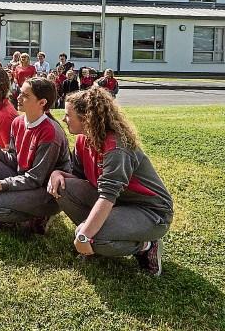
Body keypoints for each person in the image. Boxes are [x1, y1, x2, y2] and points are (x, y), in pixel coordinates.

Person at [48, 86, 173, 275]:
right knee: (64, 188)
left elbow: (107, 196)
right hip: (117, 204)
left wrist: (83, 236)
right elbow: (79, 178)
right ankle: (99, 234)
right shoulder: (83, 140)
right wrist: (57, 173)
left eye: (67, 115)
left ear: (86, 118)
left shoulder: (116, 147)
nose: (64, 119)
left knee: (92, 237)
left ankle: (147, 246)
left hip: (150, 212)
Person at [0, 77, 70, 233]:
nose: (18, 98)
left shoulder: (50, 132)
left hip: (45, 192)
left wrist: (2, 184)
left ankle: (39, 215)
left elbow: (36, 178)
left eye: (25, 96)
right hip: (24, 179)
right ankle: (8, 214)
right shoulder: (18, 122)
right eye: (20, 93)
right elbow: (14, 159)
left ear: (42, 102)